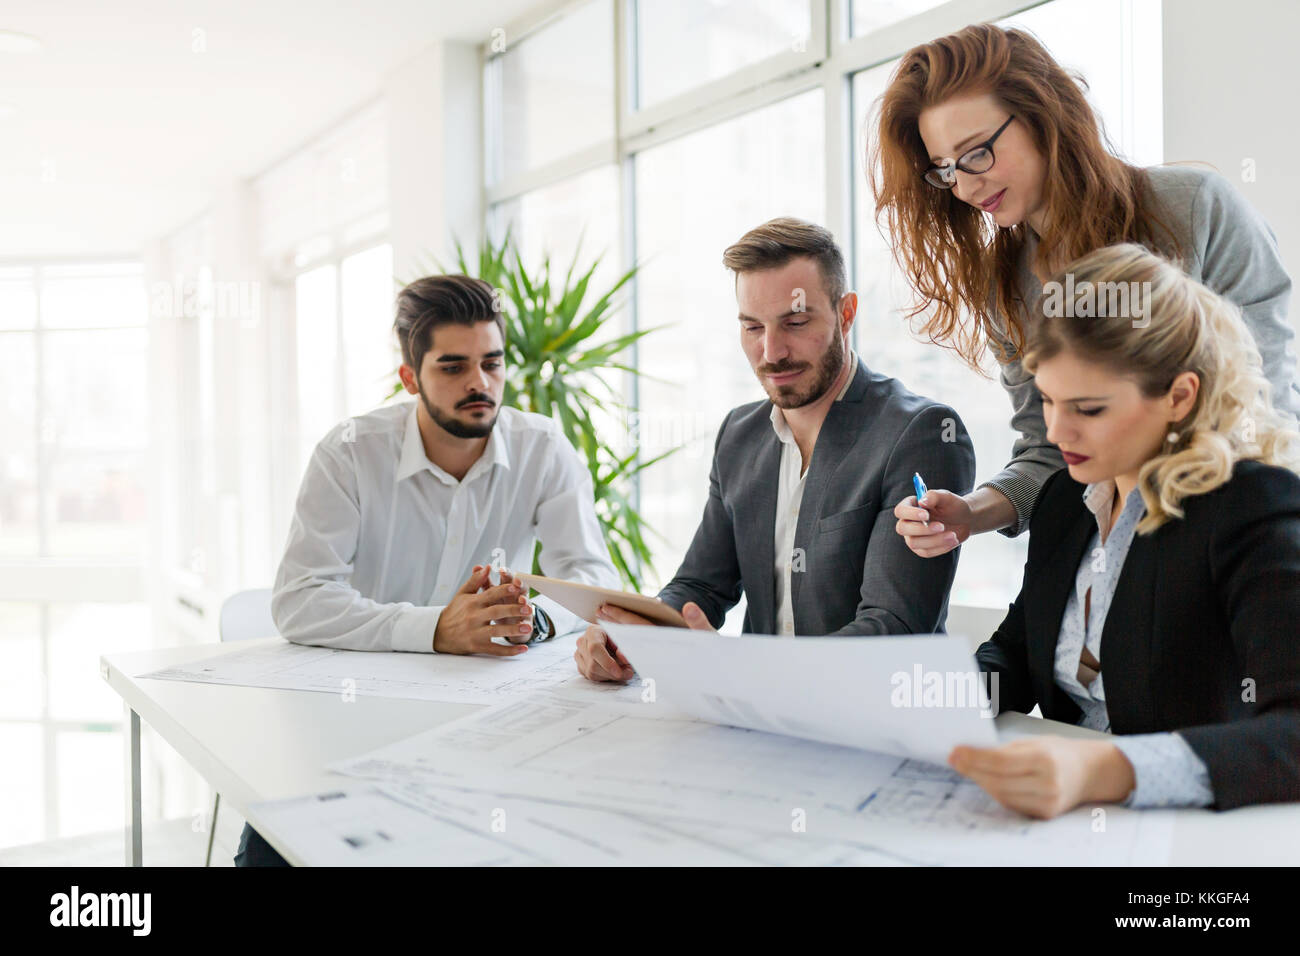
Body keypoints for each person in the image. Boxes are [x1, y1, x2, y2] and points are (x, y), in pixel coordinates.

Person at [870, 23, 1300, 558]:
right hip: (1108, 554)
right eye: (945, 168)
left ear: (1041, 114)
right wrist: (970, 514)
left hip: (1236, 536)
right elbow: (1051, 450)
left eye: (977, 152)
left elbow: (1268, 409)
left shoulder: (1195, 208)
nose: (965, 184)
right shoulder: (1003, 284)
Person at [238, 274, 619, 865]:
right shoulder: (348, 453)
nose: (479, 383)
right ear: (411, 378)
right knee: (278, 855)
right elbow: (299, 599)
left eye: (492, 363)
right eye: (453, 367)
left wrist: (530, 622)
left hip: (488, 721)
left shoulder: (544, 448)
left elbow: (593, 579)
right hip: (352, 712)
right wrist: (436, 628)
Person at [948, 243, 1300, 817]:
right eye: (1047, 401)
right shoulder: (1067, 496)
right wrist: (940, 704)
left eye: (1088, 409)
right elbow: (1014, 651)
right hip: (1068, 825)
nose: (1058, 431)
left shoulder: (1250, 507)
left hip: (1196, 841)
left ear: (1179, 397)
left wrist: (1107, 770)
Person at [575, 218, 976, 682]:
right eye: (752, 327)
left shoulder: (919, 432)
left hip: (869, 718)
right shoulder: (739, 434)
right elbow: (700, 585)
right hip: (757, 721)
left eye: (796, 322)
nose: (771, 352)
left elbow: (894, 629)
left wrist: (741, 669)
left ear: (846, 313)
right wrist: (634, 635)